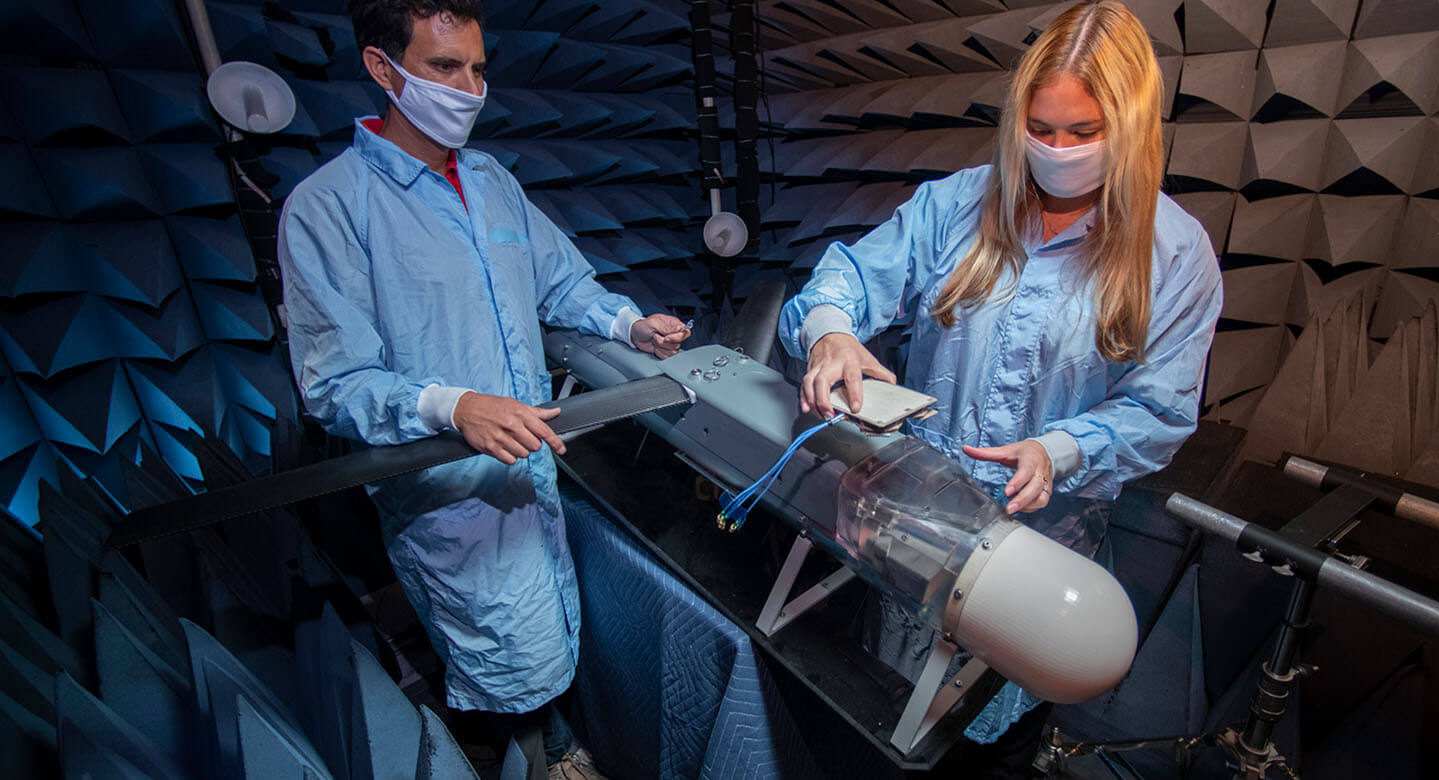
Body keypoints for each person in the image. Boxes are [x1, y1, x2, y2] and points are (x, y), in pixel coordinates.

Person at [779, 0, 1223, 770]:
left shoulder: (1176, 254)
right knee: (880, 711)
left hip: (1038, 548)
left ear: (1132, 126)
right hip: (911, 519)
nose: (1058, 150)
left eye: (1084, 132)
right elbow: (847, 276)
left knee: (982, 740)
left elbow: (1160, 410)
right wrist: (831, 332)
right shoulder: (956, 204)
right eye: (1040, 128)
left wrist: (1060, 450)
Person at [278, 0, 688, 772]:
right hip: (447, 493)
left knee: (547, 636)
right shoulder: (328, 209)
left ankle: (553, 743)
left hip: (531, 472)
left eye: (477, 70)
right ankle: (539, 757)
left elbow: (562, 281)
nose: (469, 90)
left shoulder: (492, 181)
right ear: (382, 68)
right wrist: (453, 405)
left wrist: (627, 323)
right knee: (504, 659)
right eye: (444, 68)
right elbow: (335, 383)